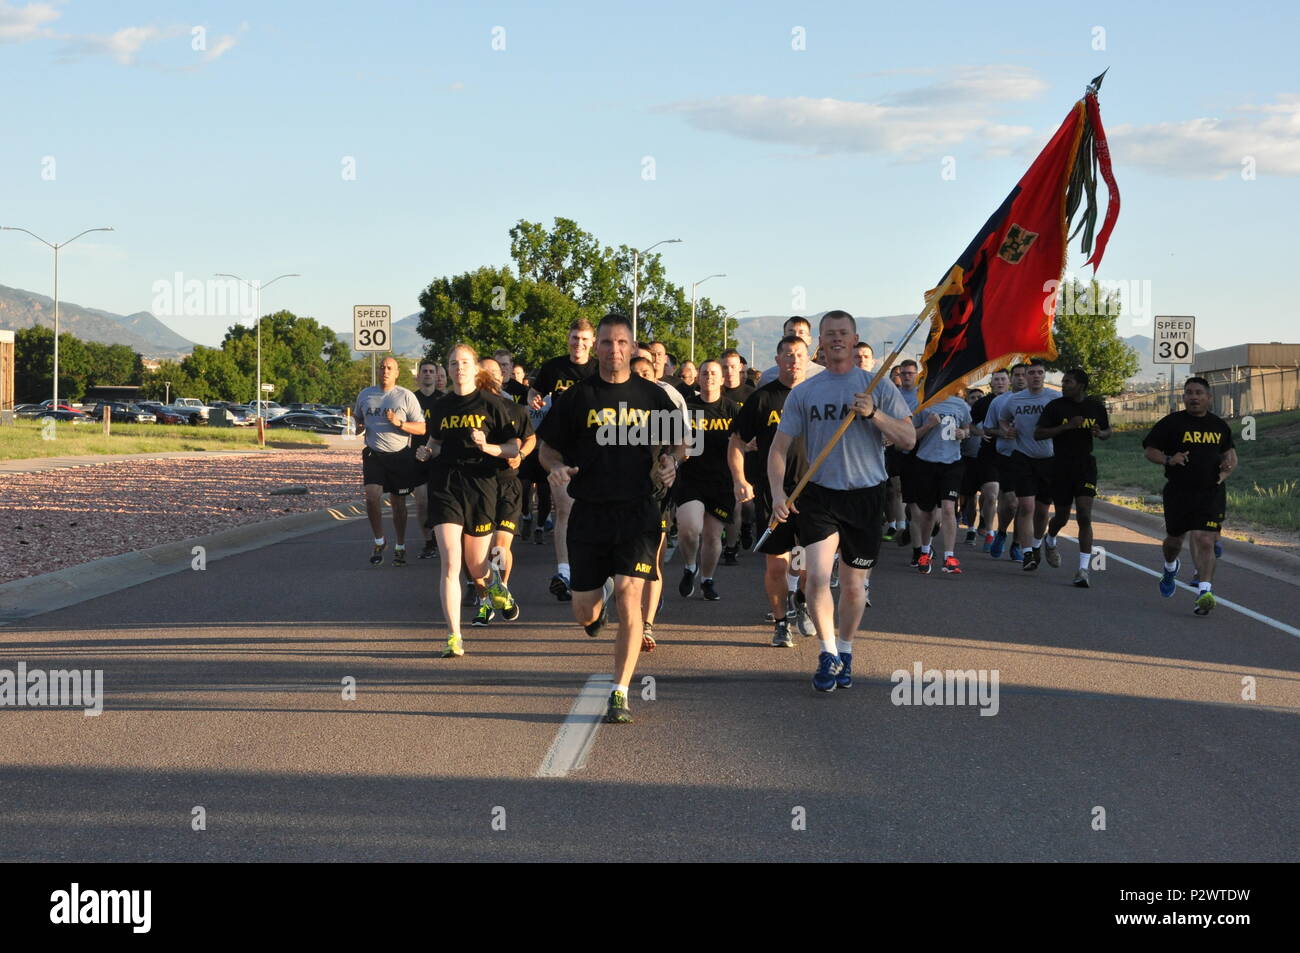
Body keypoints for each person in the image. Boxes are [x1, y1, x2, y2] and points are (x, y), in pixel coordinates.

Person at [538, 313, 684, 724]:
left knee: (629, 594)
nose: (613, 350)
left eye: (622, 343)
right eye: (606, 342)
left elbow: (680, 442)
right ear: (597, 346)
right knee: (583, 611)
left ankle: (620, 691)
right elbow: (546, 448)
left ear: (632, 347)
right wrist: (555, 467)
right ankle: (594, 609)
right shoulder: (578, 397)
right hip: (590, 512)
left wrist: (672, 460)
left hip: (639, 510)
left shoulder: (654, 396)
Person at [768, 311, 914, 693]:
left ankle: (846, 649)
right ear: (820, 340)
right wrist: (778, 493)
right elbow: (778, 449)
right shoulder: (805, 392)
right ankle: (828, 651)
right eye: (829, 334)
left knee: (853, 587)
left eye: (843, 333)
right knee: (816, 575)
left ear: (854, 338)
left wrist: (874, 414)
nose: (836, 339)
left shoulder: (876, 385)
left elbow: (908, 439)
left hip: (866, 496)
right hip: (819, 495)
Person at [418, 345, 524, 657]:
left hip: (481, 485)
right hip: (446, 485)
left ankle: (496, 590)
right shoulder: (441, 406)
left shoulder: (492, 404)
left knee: (476, 566)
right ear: (447, 371)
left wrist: (488, 447)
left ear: (475, 368)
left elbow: (513, 449)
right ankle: (454, 636)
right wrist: (426, 452)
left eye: (465, 362)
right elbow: (434, 443)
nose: (459, 368)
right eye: (453, 363)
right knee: (451, 563)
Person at [731, 334, 812, 647]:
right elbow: (736, 442)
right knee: (777, 563)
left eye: (799, 355)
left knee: (807, 562)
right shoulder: (762, 399)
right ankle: (781, 623)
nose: (793, 361)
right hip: (773, 492)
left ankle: (802, 598)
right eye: (787, 355)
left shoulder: (816, 397)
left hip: (811, 492)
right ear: (778, 360)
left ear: (808, 360)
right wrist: (741, 479)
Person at [1141, 377, 1236, 615]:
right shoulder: (1171, 423)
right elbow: (1150, 450)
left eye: (1199, 393)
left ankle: (1204, 592)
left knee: (1205, 539)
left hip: (1210, 491)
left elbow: (1230, 454)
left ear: (1208, 397)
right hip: (1179, 492)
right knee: (1173, 541)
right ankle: (1170, 567)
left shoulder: (1219, 425)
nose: (1193, 397)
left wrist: (1228, 465)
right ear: (1183, 397)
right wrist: (1168, 459)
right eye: (1189, 393)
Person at [529, 318, 597, 601]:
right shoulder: (552, 367)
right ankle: (565, 573)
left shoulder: (598, 369)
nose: (578, 343)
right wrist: (534, 397)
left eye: (584, 339)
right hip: (560, 447)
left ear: (592, 342)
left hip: (596, 448)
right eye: (574, 338)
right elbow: (536, 391)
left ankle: (593, 571)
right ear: (567, 339)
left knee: (594, 512)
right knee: (565, 509)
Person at [631, 352, 690, 652]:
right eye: (635, 372)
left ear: (655, 374)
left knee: (653, 558)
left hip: (658, 491)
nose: (641, 377)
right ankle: (628, 611)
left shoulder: (667, 400)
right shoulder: (616, 404)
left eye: (646, 372)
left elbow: (686, 444)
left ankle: (647, 625)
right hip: (621, 493)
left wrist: (673, 462)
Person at [1035, 368, 1110, 586]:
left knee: (1085, 515)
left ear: (1081, 385)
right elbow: (1038, 433)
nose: (1064, 385)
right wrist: (1066, 426)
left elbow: (1107, 432)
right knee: (1062, 517)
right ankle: (1050, 539)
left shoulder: (1095, 406)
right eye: (1063, 381)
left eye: (1068, 382)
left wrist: (1100, 433)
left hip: (1085, 465)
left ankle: (1083, 570)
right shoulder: (1056, 407)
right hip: (1060, 466)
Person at [674, 360, 739, 602]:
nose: (709, 377)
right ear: (698, 379)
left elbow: (745, 441)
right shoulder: (686, 408)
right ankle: (690, 566)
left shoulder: (732, 409)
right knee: (690, 528)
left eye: (714, 373)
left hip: (722, 481)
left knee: (712, 536)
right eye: (705, 373)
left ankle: (707, 580)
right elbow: (672, 439)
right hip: (691, 479)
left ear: (722, 379)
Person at [354, 356, 426, 567]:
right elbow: (358, 418)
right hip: (374, 454)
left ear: (396, 373)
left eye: (389, 368)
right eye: (382, 367)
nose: (385, 371)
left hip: (400, 455)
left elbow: (421, 428)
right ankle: (379, 540)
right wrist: (358, 426)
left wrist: (399, 423)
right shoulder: (365, 395)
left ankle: (400, 545)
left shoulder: (406, 396)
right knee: (371, 496)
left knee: (398, 504)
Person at [479, 357, 536, 611]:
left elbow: (531, 438)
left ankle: (500, 590)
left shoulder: (515, 409)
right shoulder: (469, 411)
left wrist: (520, 455)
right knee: (482, 550)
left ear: (503, 376)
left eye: (496, 371)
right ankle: (485, 588)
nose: (492, 375)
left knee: (500, 545)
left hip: (508, 485)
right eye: (486, 371)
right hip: (478, 485)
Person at [995, 359, 1057, 571]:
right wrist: (1006, 430)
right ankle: (1027, 552)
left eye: (1040, 372)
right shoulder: (1014, 400)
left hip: (1048, 459)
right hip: (1023, 457)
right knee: (1026, 506)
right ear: (1025, 376)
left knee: (1042, 511)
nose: (1036, 376)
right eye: (1031, 373)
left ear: (1044, 375)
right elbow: (1003, 420)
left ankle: (1038, 544)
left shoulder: (1054, 397)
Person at [910, 392, 972, 574]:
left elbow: (968, 429)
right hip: (926, 463)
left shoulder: (960, 404)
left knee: (948, 508)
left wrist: (964, 433)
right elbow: (911, 436)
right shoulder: (922, 403)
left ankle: (949, 556)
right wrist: (928, 426)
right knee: (928, 513)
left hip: (952, 463)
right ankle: (924, 551)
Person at [983, 363, 1027, 559]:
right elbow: (987, 429)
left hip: (1029, 457)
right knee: (1011, 503)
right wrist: (1003, 432)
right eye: (1016, 375)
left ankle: (1016, 543)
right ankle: (1001, 532)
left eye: (1023, 375)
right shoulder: (1000, 402)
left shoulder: (1038, 401)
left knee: (1024, 505)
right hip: (1006, 456)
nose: (1020, 378)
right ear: (1011, 379)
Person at [719, 348, 756, 561]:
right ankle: (731, 547)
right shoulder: (717, 392)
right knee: (733, 504)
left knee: (748, 505)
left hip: (747, 457)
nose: (729, 372)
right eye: (725, 367)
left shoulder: (750, 394)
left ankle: (747, 526)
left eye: (733, 367)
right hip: (722, 456)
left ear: (741, 368)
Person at [968, 370, 1009, 551]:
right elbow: (969, 423)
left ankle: (1000, 529)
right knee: (992, 494)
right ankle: (990, 533)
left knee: (1009, 501)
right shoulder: (983, 403)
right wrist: (980, 432)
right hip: (988, 454)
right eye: (996, 379)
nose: (1000, 382)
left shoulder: (1016, 400)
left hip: (1011, 456)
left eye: (1003, 379)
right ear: (991, 383)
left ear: (1009, 382)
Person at [412, 359, 445, 559]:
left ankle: (443, 539)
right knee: (422, 501)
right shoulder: (411, 398)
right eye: (424, 371)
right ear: (418, 375)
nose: (427, 374)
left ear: (436, 375)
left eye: (431, 371)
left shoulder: (444, 400)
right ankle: (428, 542)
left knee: (440, 501)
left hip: (440, 457)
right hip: (417, 456)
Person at [758, 317, 826, 386]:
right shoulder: (768, 377)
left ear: (809, 340)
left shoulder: (822, 374)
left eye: (801, 333)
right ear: (783, 338)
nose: (796, 336)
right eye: (791, 333)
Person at [957, 387, 985, 543]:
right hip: (968, 459)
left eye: (979, 397)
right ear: (967, 400)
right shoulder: (964, 415)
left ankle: (984, 520)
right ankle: (971, 529)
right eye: (973, 397)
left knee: (989, 494)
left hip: (986, 460)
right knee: (970, 496)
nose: (976, 400)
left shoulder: (990, 414)